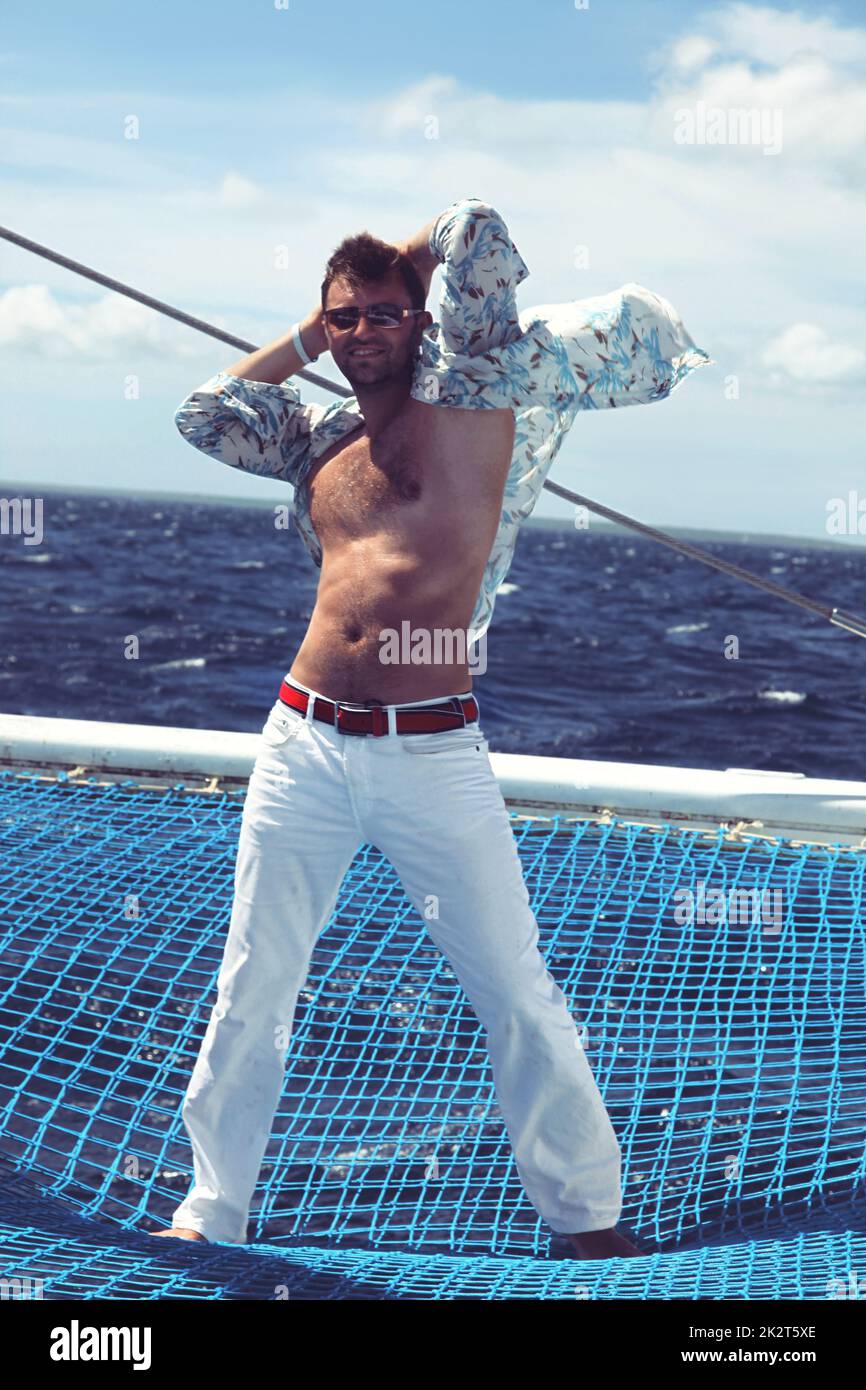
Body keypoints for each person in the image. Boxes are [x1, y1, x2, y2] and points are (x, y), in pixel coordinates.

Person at [152, 197, 712, 1259]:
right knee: (252, 980)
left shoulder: (479, 387)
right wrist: (312, 332)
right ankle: (209, 1209)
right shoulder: (314, 437)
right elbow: (201, 412)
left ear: (425, 319)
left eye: (384, 314)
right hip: (303, 741)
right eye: (344, 321)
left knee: (512, 984)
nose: (364, 332)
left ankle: (586, 1218)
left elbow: (478, 232)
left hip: (431, 748)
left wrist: (399, 264)